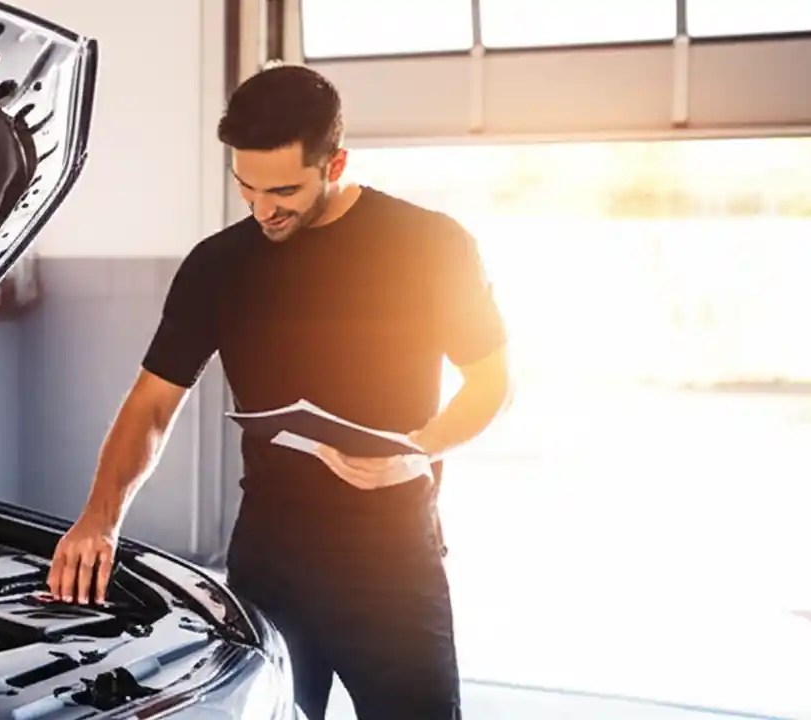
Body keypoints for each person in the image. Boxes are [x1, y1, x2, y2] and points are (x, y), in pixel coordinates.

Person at [46, 63, 511, 719]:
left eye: (285, 190)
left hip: (392, 562)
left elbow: (493, 382)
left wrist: (418, 446)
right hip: (269, 559)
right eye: (247, 187)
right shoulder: (217, 265)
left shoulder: (429, 244)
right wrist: (100, 517)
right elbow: (152, 403)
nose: (264, 209)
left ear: (336, 162)